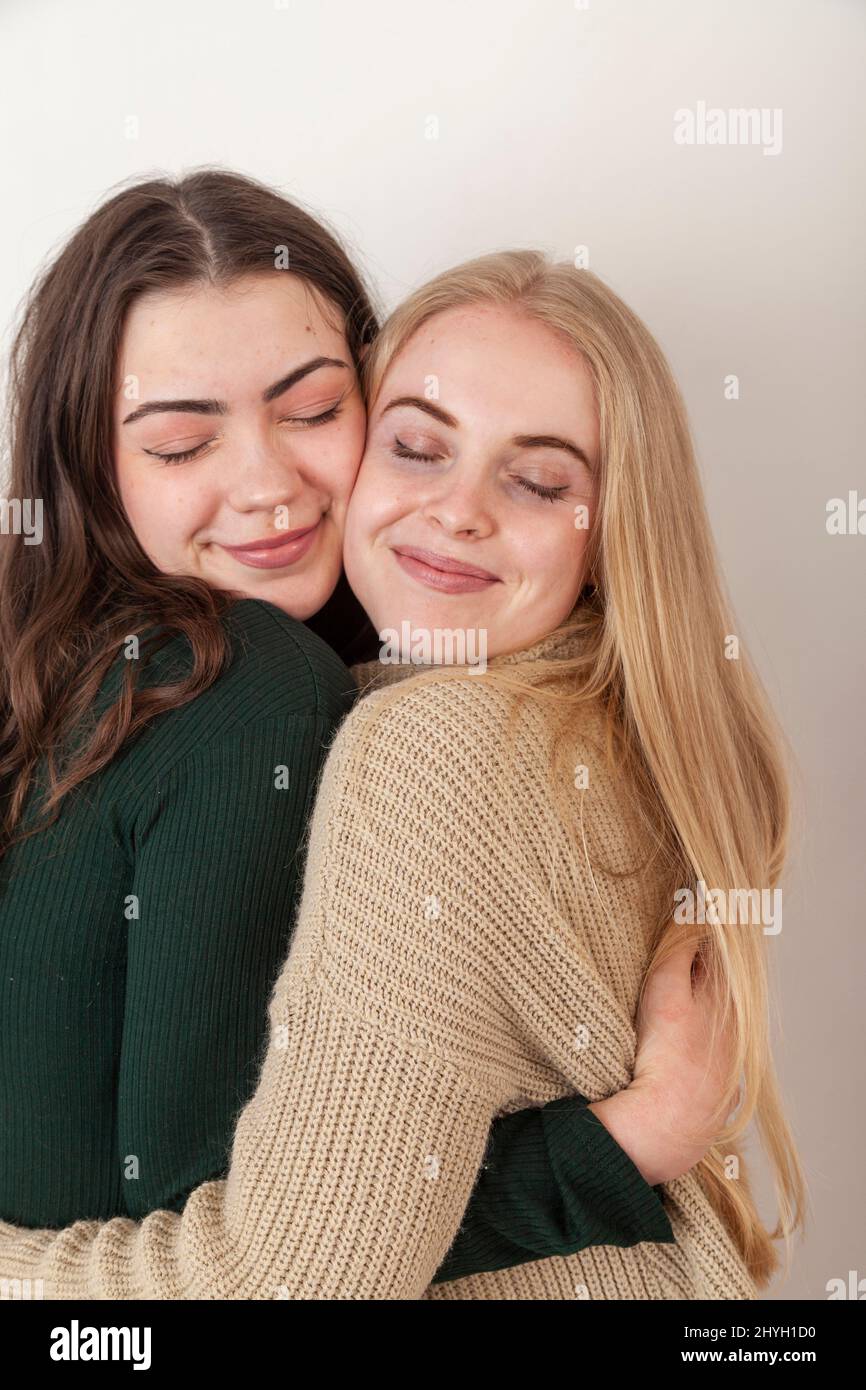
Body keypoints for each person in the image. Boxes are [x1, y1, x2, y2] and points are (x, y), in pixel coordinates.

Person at [0, 234, 806, 1298]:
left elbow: (281, 1285)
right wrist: (614, 1148)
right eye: (420, 449)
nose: (459, 508)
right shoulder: (564, 724)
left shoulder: (424, 749)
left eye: (536, 478)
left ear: (612, 530)